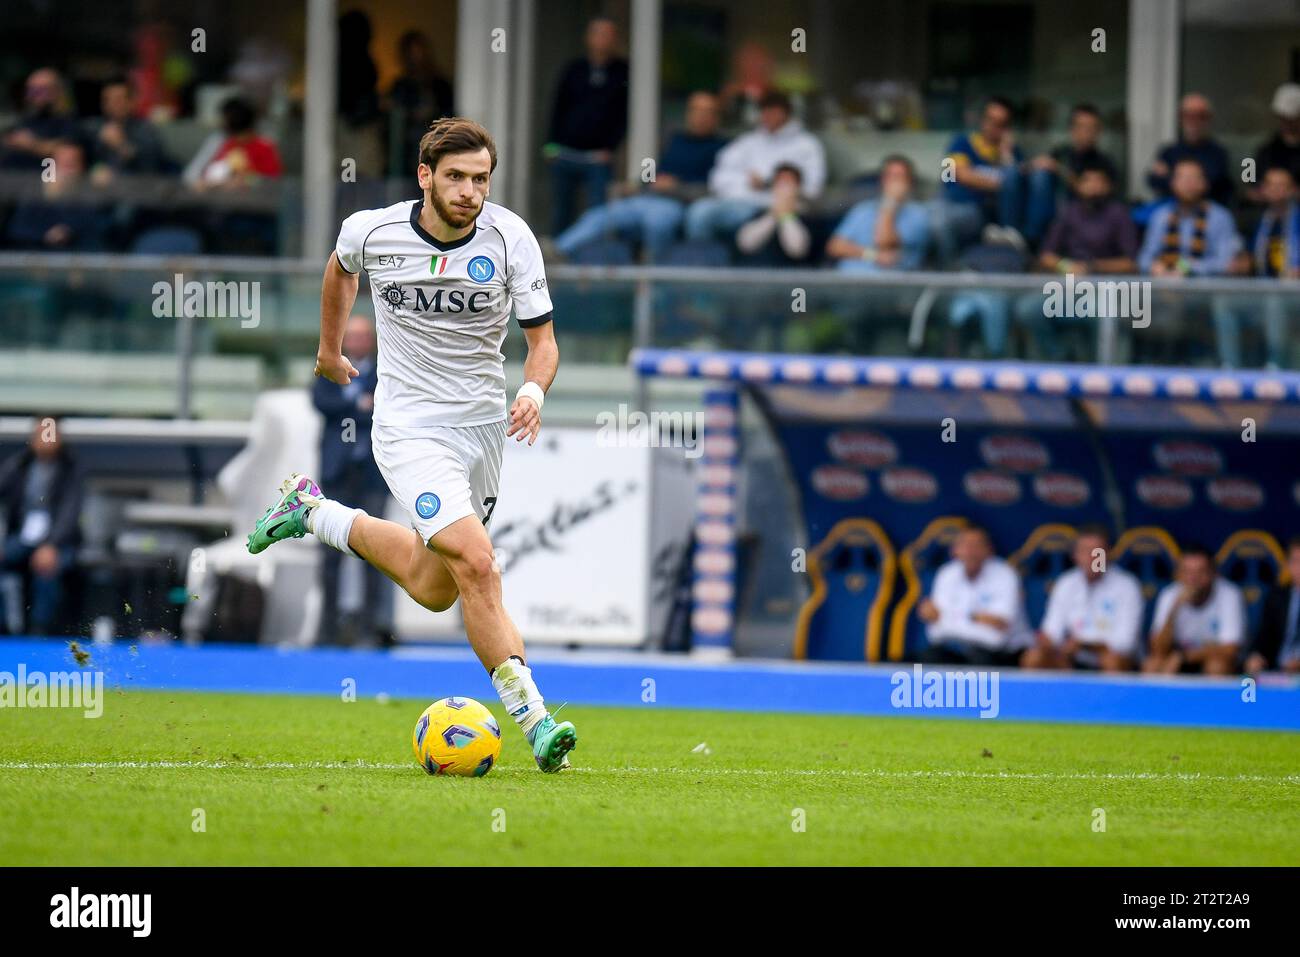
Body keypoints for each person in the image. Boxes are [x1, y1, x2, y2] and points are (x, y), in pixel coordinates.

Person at [246, 117, 577, 772]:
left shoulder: (512, 239)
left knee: (436, 586)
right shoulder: (373, 230)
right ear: (425, 176)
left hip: (481, 429)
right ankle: (537, 721)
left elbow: (543, 342)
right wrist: (330, 349)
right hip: (408, 427)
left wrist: (534, 392)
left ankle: (314, 512)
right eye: (455, 177)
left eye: (480, 179)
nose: (469, 191)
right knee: (480, 564)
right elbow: (341, 269)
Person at [551, 91, 726, 261]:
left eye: (706, 111)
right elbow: (651, 169)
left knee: (657, 222)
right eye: (695, 110)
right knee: (598, 216)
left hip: (678, 205)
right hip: (647, 198)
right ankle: (557, 251)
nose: (699, 116)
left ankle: (654, 278)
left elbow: (715, 190)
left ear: (716, 117)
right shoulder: (674, 139)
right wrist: (638, 184)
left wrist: (676, 188)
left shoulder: (720, 148)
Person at [311, 315, 392, 648]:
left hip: (372, 474)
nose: (357, 342)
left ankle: (369, 630)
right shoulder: (329, 366)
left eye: (363, 336)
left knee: (375, 553)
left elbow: (386, 408)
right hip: (337, 473)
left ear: (371, 340)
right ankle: (326, 631)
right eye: (352, 336)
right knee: (329, 553)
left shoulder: (386, 370)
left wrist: (352, 405)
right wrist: (358, 404)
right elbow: (321, 402)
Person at [684, 90, 825, 243]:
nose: (769, 116)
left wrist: (767, 184)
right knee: (700, 212)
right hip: (739, 203)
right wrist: (747, 184)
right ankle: (700, 262)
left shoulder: (806, 145)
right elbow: (719, 178)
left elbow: (812, 189)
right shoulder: (748, 142)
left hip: (781, 208)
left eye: (775, 112)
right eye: (766, 111)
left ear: (786, 114)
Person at [544, 17, 629, 233]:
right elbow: (558, 108)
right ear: (588, 38)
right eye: (598, 34)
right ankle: (557, 252)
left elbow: (625, 116)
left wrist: (611, 148)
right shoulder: (574, 69)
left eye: (608, 35)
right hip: (565, 152)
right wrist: (551, 144)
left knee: (597, 211)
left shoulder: (623, 72)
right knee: (561, 208)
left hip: (598, 157)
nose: (603, 40)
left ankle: (591, 258)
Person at [0, 416, 83, 635]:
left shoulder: (70, 471)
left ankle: (40, 630)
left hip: (57, 541)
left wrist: (52, 545)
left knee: (46, 570)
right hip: (21, 537)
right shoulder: (18, 466)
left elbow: (69, 514)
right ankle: (7, 627)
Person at [1020, 525, 1143, 672]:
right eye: (1085, 551)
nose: (1092, 557)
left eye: (1098, 552)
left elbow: (1125, 643)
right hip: (1071, 659)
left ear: (1108, 553)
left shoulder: (1127, 586)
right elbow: (1052, 631)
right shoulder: (1066, 583)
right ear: (1075, 555)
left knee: (1112, 661)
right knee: (1034, 657)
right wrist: (1046, 641)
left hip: (1110, 658)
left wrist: (1084, 644)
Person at [1214, 165, 1299, 369]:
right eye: (1271, 185)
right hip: (1261, 290)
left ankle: (1276, 367)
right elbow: (1249, 256)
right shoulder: (1258, 218)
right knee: (1224, 303)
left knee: (1274, 304)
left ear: (1293, 190)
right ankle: (1230, 367)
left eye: (1282, 185)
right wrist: (1244, 262)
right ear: (1263, 190)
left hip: (1293, 294)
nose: (1276, 190)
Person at [917, 525, 1030, 666]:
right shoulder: (947, 573)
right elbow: (935, 622)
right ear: (954, 550)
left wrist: (955, 617)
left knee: (980, 661)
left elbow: (1000, 624)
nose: (970, 551)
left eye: (976, 545)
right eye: (964, 545)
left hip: (1003, 652)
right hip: (956, 647)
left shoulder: (1005, 574)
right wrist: (975, 618)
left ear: (989, 550)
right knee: (929, 658)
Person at [938, 96, 1038, 252]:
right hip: (950, 201)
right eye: (990, 119)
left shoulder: (1013, 153)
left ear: (1007, 128)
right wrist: (1005, 184)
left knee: (940, 223)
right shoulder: (960, 142)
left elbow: (1016, 192)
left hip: (981, 213)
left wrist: (1006, 155)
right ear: (982, 119)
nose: (992, 126)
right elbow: (959, 175)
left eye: (1000, 124)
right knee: (931, 219)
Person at [1144, 545, 1244, 675]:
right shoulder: (1170, 594)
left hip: (1211, 660)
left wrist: (1184, 657)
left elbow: (1230, 650)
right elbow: (1157, 649)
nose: (1193, 578)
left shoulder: (1229, 594)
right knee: (1153, 665)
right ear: (1178, 574)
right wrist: (1174, 610)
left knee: (1216, 666)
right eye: (1187, 572)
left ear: (1214, 574)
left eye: (1200, 572)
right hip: (1178, 660)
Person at [1138, 158, 1241, 277]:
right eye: (1182, 178)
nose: (1188, 184)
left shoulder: (1220, 217)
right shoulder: (1161, 216)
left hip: (1208, 291)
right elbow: (1144, 259)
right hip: (1165, 289)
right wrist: (1154, 266)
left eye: (1194, 178)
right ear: (1172, 183)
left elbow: (1226, 263)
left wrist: (1187, 266)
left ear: (1205, 183)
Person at [826, 155, 931, 272]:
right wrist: (872, 255)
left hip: (889, 285)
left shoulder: (919, 214)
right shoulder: (863, 209)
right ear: (882, 180)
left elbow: (884, 243)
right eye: (889, 176)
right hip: (848, 282)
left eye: (899, 177)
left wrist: (890, 203)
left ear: (910, 182)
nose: (893, 182)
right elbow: (835, 246)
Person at [4, 140, 109, 251]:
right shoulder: (33, 196)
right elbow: (17, 231)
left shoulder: (92, 199)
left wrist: (70, 231)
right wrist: (43, 235)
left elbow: (101, 232)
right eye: (61, 164)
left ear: (82, 168)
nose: (65, 172)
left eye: (71, 165)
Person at [1146, 93, 1233, 206]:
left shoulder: (1218, 153)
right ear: (1180, 118)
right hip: (1171, 212)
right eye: (1188, 115)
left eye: (1201, 116)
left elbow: (1214, 183)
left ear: (1209, 119)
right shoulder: (1168, 151)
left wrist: (1171, 177)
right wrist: (1193, 180)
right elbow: (1153, 180)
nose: (1194, 121)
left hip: (1208, 213)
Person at [388, 31, 454, 176]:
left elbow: (451, 118)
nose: (416, 60)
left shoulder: (441, 86)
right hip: (403, 156)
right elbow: (392, 119)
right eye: (411, 55)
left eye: (419, 53)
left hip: (437, 151)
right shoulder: (400, 87)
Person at [182, 96, 283, 190]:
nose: (220, 122)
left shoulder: (264, 146)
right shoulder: (225, 143)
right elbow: (210, 173)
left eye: (224, 118)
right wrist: (208, 181)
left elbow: (273, 179)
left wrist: (247, 181)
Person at [85, 75, 166, 184]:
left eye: (119, 99)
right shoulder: (93, 128)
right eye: (108, 100)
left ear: (132, 102)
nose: (113, 104)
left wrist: (121, 145)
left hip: (135, 189)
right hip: (94, 191)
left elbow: (152, 167)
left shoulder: (145, 130)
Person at [1032, 103, 1120, 198]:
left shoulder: (1104, 162)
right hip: (1057, 206)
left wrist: (1060, 170)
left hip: (1085, 210)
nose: (1086, 132)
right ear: (1072, 129)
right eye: (1081, 126)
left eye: (1091, 127)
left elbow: (1092, 191)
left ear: (1098, 130)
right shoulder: (1060, 153)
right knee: (1040, 175)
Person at [0, 68, 80, 171]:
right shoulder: (24, 120)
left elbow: (67, 151)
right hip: (10, 177)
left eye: (39, 91)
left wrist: (32, 144)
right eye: (30, 91)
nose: (32, 96)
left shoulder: (70, 122)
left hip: (45, 179)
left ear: (57, 91)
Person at [734, 163, 812, 264]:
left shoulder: (810, 216)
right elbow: (745, 244)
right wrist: (773, 215)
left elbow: (797, 250)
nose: (783, 187)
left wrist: (786, 215)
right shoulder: (758, 212)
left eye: (788, 182)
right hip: (755, 273)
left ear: (798, 186)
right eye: (779, 181)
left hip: (792, 276)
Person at [1244, 536, 1300, 674]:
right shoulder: (1276, 597)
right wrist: (1256, 655)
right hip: (1279, 669)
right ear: (1287, 565)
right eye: (1296, 561)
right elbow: (1263, 635)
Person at [1248, 83, 1300, 201]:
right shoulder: (1265, 149)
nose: (1286, 122)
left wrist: (1290, 192)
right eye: (1282, 117)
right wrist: (1264, 192)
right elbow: (1248, 183)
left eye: (1291, 117)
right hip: (1269, 211)